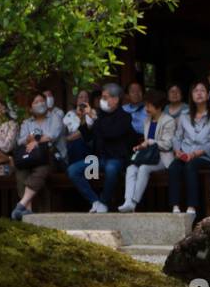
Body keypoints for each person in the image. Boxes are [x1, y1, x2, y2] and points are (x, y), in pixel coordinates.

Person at [66, 82, 134, 213]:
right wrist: (86, 121)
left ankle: (104, 202)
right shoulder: (99, 115)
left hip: (116, 158)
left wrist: (95, 119)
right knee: (73, 170)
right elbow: (87, 137)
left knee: (111, 169)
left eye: (105, 97)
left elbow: (110, 134)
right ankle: (95, 201)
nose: (102, 100)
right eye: (102, 97)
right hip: (98, 159)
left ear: (115, 99)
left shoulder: (125, 117)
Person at [166, 81, 210, 215]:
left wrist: (194, 154)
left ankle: (192, 207)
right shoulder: (184, 115)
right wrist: (177, 151)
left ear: (208, 95)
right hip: (185, 154)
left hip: (205, 156)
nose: (199, 93)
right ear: (191, 96)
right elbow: (177, 137)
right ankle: (175, 207)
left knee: (190, 165)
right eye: (196, 91)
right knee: (174, 167)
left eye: (202, 90)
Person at [10, 92, 64, 220]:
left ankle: (21, 204)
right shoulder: (27, 122)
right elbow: (20, 140)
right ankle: (27, 210)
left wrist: (35, 141)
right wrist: (29, 139)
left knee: (41, 168)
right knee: (21, 170)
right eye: (36, 102)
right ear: (30, 108)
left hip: (52, 156)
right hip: (31, 157)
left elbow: (52, 136)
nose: (40, 104)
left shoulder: (55, 117)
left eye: (42, 101)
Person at [119, 88, 174, 212]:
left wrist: (149, 142)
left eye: (149, 105)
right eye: (146, 105)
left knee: (144, 168)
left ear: (159, 106)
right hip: (148, 156)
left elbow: (167, 144)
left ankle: (133, 203)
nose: (146, 108)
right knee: (131, 168)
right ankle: (127, 201)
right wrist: (140, 146)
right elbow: (146, 142)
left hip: (162, 158)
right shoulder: (147, 120)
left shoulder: (168, 121)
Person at [61, 88, 92, 166]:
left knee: (76, 143)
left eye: (86, 97)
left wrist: (68, 138)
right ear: (76, 100)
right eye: (81, 97)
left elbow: (83, 131)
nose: (84, 99)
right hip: (70, 145)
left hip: (85, 143)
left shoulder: (91, 113)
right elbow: (62, 129)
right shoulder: (70, 113)